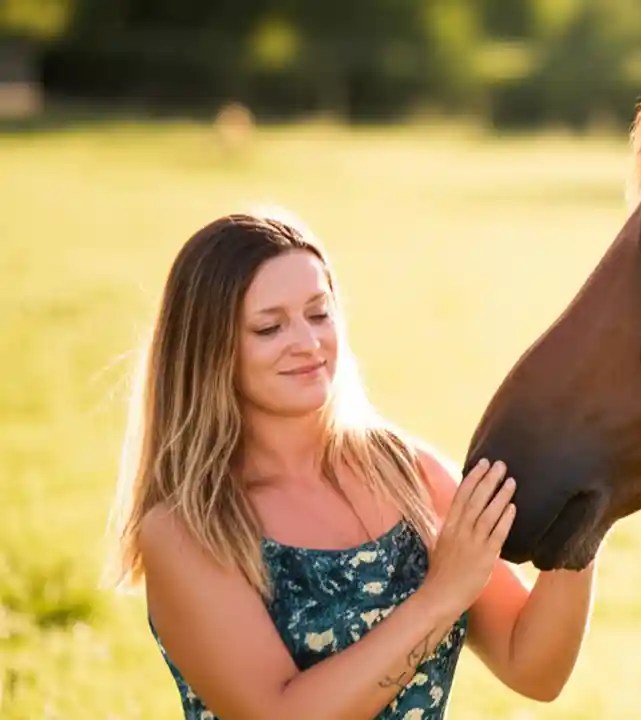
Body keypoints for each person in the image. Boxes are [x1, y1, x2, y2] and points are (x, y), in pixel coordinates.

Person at [105, 211, 597, 719]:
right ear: (210, 350)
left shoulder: (411, 475)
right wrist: (442, 594)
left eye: (319, 314)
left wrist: (588, 510)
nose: (308, 342)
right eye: (270, 327)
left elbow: (534, 667)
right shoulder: (188, 529)